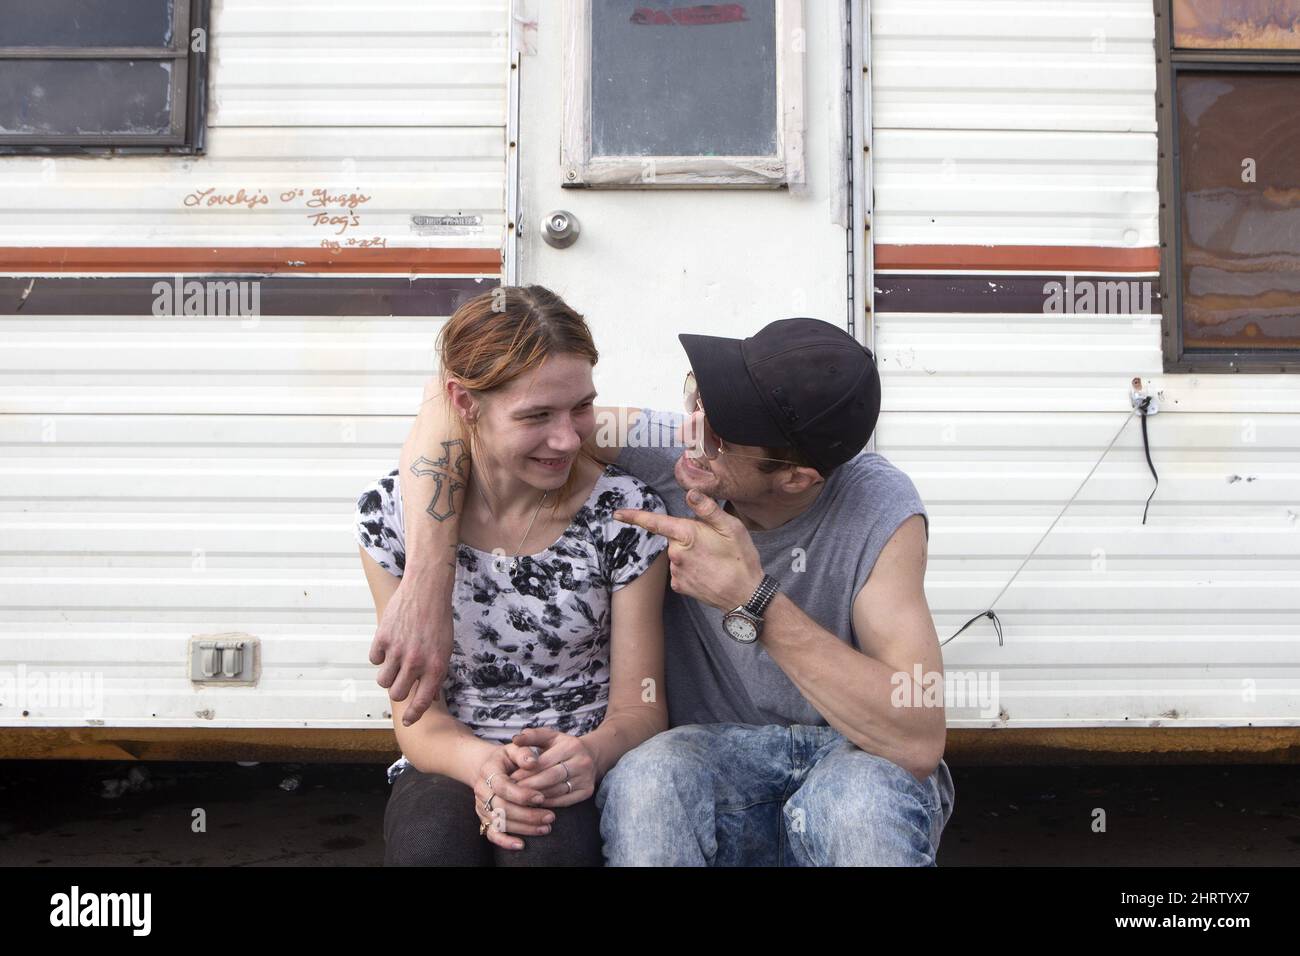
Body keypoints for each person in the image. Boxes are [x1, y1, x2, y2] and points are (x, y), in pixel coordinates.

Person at [374, 313, 955, 866]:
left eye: (720, 435)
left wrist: (754, 601)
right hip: (703, 751)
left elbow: (917, 737)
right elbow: (447, 407)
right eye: (698, 397)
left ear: (796, 477)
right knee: (648, 782)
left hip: (850, 752)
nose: (692, 431)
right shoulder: (671, 449)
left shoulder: (876, 505)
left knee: (863, 808)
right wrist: (427, 582)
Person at [354, 285, 670, 866]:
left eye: (582, 407)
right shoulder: (391, 517)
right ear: (465, 402)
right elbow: (418, 722)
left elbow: (642, 706)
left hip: (574, 757)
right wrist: (482, 769)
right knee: (431, 847)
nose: (569, 439)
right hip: (448, 757)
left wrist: (589, 755)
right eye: (536, 416)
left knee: (544, 851)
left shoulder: (624, 514)